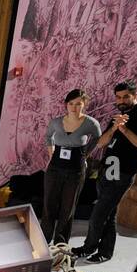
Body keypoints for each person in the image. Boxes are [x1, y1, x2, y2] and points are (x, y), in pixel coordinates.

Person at [76, 80, 137, 264]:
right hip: (106, 170)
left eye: (126, 97)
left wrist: (124, 129)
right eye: (118, 97)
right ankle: (105, 252)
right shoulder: (117, 116)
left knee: (98, 213)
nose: (121, 100)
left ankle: (88, 247)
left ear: (135, 96)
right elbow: (101, 143)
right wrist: (114, 128)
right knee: (109, 213)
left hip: (123, 173)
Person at [41, 89, 101, 246]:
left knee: (68, 209)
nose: (74, 107)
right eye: (71, 104)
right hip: (55, 168)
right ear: (66, 105)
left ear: (84, 105)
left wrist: (85, 155)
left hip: (75, 170)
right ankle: (43, 241)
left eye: (78, 104)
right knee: (49, 206)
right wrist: (50, 155)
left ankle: (60, 245)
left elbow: (97, 138)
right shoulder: (56, 121)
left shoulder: (91, 123)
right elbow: (48, 137)